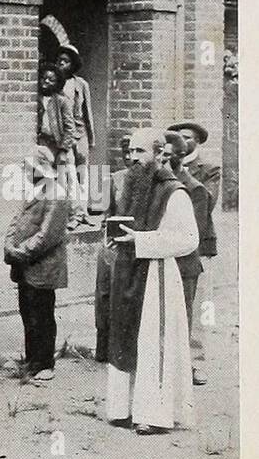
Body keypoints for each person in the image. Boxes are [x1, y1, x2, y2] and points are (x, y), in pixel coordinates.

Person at [105, 128, 197, 433]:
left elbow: (188, 239)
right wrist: (117, 239)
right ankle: (123, 409)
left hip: (156, 275)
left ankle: (153, 414)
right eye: (131, 151)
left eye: (140, 152)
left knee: (151, 342)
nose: (133, 158)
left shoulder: (174, 191)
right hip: (127, 270)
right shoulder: (131, 184)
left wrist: (142, 241)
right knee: (125, 338)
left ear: (160, 154)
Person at [3, 146, 69, 382]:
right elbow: (16, 221)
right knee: (28, 313)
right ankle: (32, 361)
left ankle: (44, 363)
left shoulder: (56, 193)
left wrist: (19, 252)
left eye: (27, 166)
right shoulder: (35, 190)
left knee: (41, 315)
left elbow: (47, 236)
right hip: (26, 266)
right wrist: (9, 244)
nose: (23, 171)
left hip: (42, 267)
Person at [160, 130, 215, 387]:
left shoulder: (203, 176)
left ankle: (194, 363)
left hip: (195, 252)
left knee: (197, 310)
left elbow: (196, 225)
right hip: (171, 252)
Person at [94, 135, 134, 363]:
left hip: (135, 247)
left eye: (134, 152)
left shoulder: (149, 181)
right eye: (125, 152)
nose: (129, 157)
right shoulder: (115, 179)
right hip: (112, 247)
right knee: (104, 294)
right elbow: (105, 214)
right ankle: (104, 348)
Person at [56, 44, 96, 225]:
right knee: (70, 173)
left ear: (73, 65)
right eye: (59, 61)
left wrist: (91, 137)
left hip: (81, 133)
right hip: (65, 135)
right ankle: (74, 213)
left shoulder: (81, 84)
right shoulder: (55, 84)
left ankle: (84, 211)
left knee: (82, 173)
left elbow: (88, 112)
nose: (61, 65)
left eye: (65, 62)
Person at [37, 63, 77, 181]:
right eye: (44, 78)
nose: (46, 81)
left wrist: (64, 151)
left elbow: (70, 128)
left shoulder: (62, 101)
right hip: (44, 144)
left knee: (69, 181)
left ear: (57, 83)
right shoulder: (35, 99)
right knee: (46, 182)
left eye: (51, 80)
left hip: (61, 144)